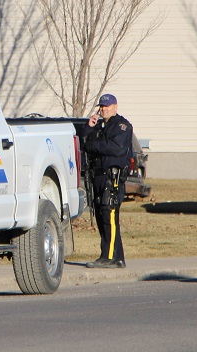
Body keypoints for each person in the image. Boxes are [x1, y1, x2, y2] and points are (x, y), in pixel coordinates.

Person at [80, 93, 134, 269]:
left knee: (109, 215)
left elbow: (115, 148)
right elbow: (84, 141)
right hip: (98, 176)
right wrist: (88, 127)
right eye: (102, 106)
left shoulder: (122, 126)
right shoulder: (100, 126)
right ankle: (116, 258)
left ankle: (109, 257)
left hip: (112, 178)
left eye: (107, 106)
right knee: (102, 216)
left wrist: (94, 145)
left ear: (115, 107)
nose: (103, 109)